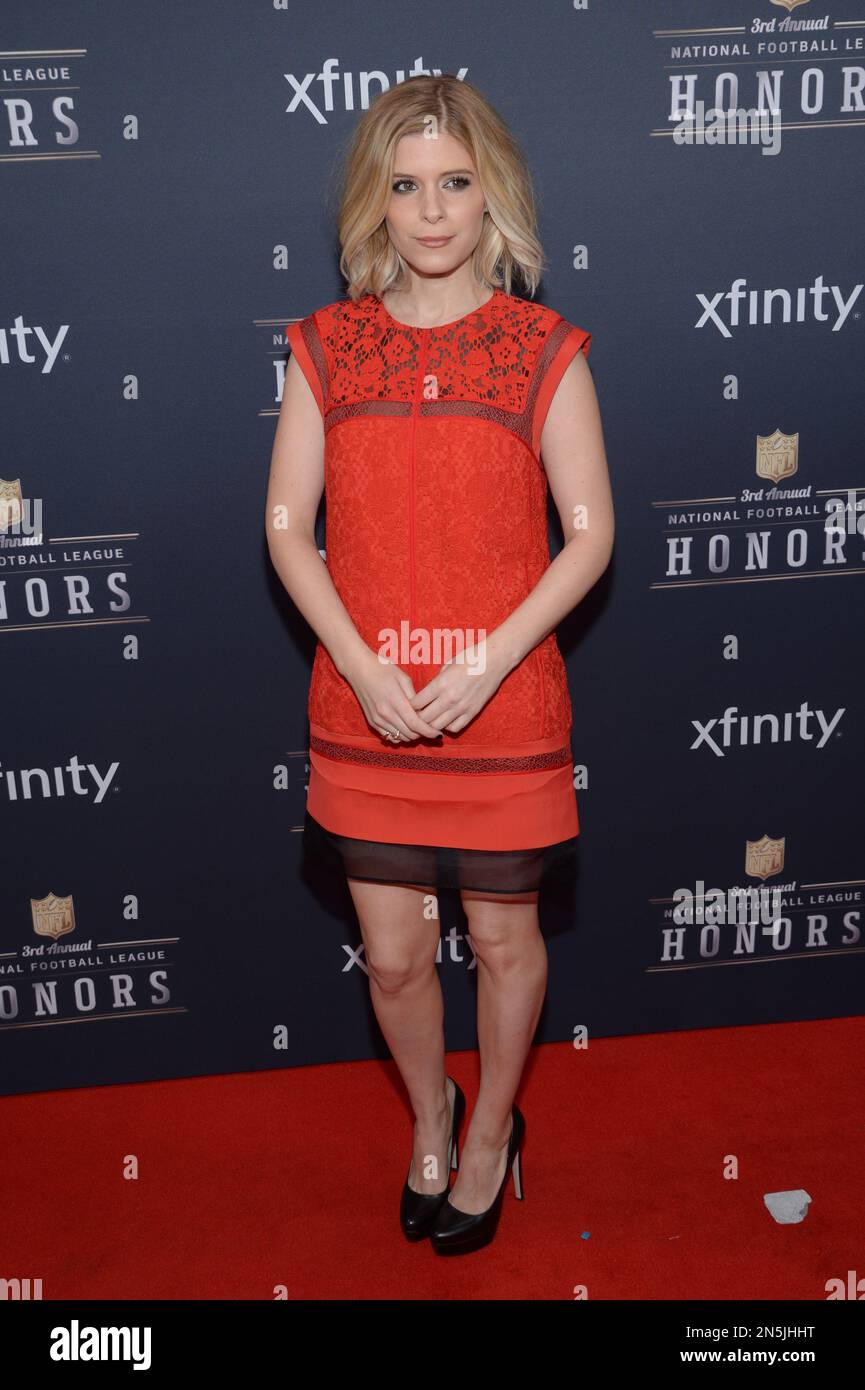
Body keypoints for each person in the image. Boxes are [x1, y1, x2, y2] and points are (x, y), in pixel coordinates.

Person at [267, 74, 613, 1255]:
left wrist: (491, 658)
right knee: (403, 955)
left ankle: (491, 1131)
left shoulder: (542, 348)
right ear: (375, 201)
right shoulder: (324, 347)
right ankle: (432, 1110)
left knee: (508, 944)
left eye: (454, 184)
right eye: (405, 186)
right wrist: (359, 662)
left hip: (504, 706)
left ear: (491, 194)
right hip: (366, 710)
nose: (430, 211)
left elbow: (591, 532)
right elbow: (283, 526)